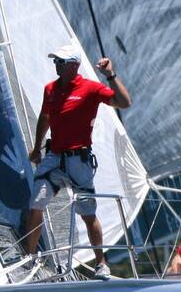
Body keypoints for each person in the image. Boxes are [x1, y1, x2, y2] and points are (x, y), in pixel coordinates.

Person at [20, 43, 133, 279]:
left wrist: (110, 75)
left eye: (60, 62)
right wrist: (36, 147)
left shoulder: (91, 88)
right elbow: (45, 116)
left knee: (88, 214)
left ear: (74, 65)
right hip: (53, 159)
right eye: (55, 61)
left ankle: (101, 264)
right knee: (35, 205)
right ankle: (29, 261)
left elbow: (124, 103)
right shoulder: (50, 89)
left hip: (78, 161)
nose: (56, 65)